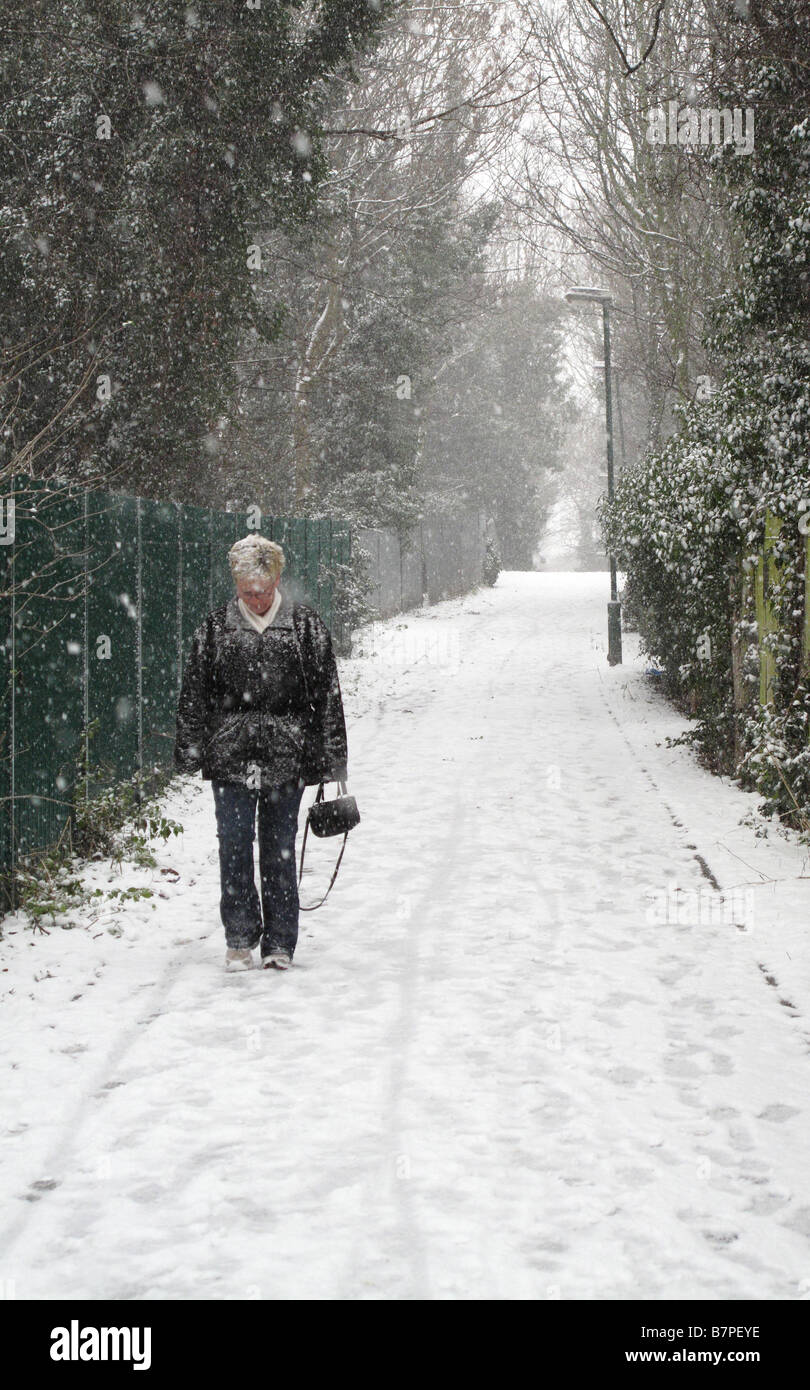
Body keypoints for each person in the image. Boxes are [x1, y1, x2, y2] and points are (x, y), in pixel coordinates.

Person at [173, 535, 348, 972]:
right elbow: (194, 692)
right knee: (233, 845)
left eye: (263, 590)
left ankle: (280, 943)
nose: (255, 598)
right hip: (230, 757)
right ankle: (239, 936)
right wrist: (191, 749)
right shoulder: (214, 629)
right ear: (236, 584)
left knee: (278, 849)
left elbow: (328, 695)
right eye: (247, 591)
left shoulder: (306, 628)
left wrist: (331, 759)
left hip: (285, 755)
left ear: (277, 580)